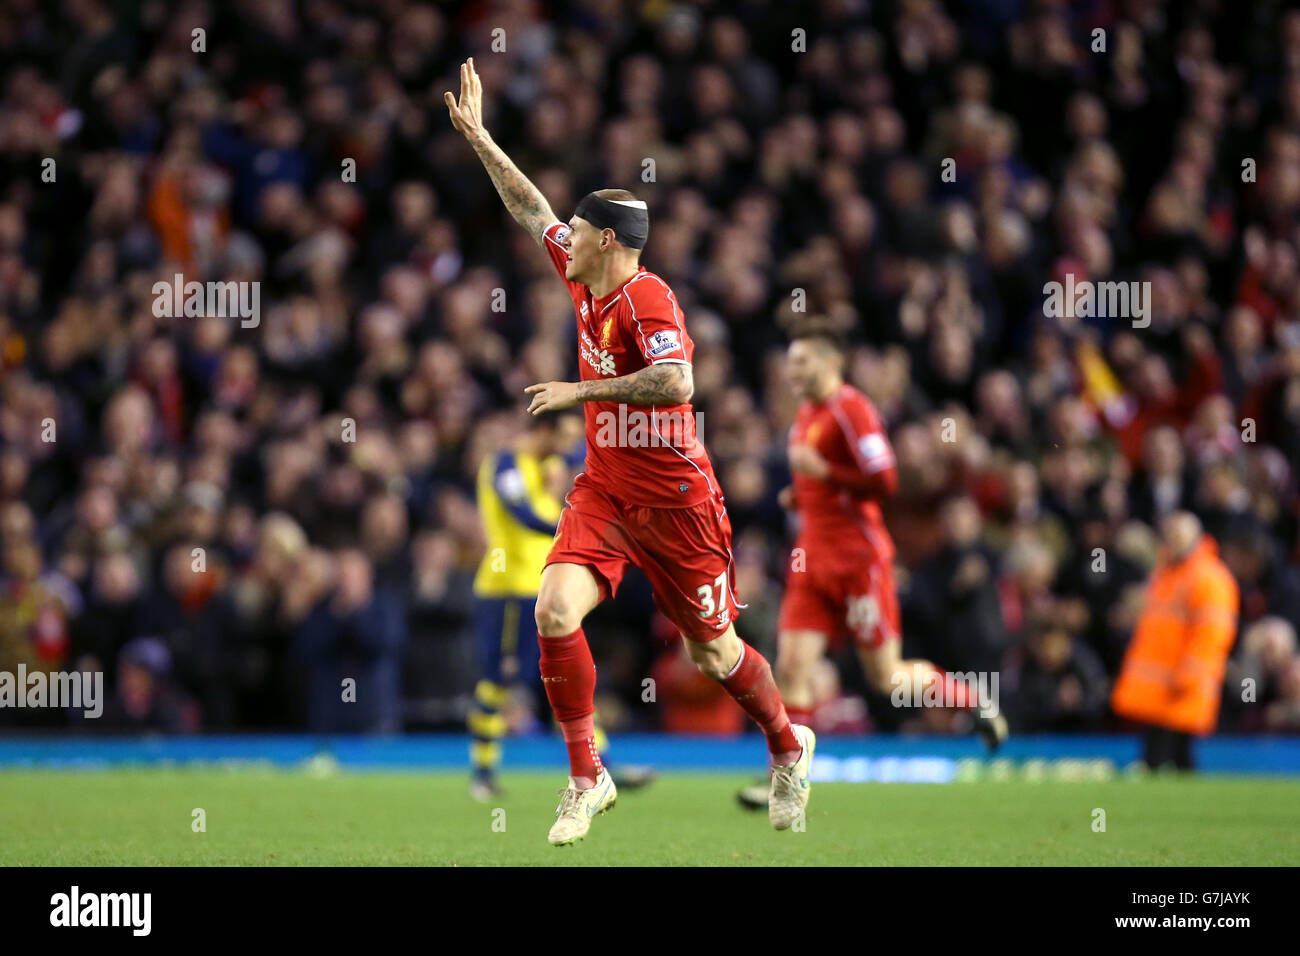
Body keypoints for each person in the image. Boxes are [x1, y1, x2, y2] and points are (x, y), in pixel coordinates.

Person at [446, 58, 814, 845]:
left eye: (576, 235)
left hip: (680, 505)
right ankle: (587, 777)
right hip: (607, 493)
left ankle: (787, 746)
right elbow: (530, 207)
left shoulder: (647, 298)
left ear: (607, 240)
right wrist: (481, 138)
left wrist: (579, 394)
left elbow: (678, 382)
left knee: (714, 654)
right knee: (552, 609)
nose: (562, 242)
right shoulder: (583, 279)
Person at [738, 326, 1007, 809]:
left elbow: (884, 479)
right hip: (812, 561)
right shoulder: (806, 414)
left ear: (830, 363)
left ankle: (972, 701)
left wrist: (823, 474)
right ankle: (788, 786)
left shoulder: (853, 409)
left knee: (886, 676)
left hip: (859, 564)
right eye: (790, 363)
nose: (793, 372)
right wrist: (802, 493)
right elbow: (830, 488)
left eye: (803, 363)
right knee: (793, 670)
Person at [1111, 511, 1239, 770]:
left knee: (1169, 758)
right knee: (1170, 760)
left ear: (1197, 537)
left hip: (1182, 685)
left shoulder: (1209, 578)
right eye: (1169, 534)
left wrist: (1190, 674)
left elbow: (1213, 633)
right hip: (1160, 687)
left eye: (1178, 535)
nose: (1172, 540)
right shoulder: (1165, 574)